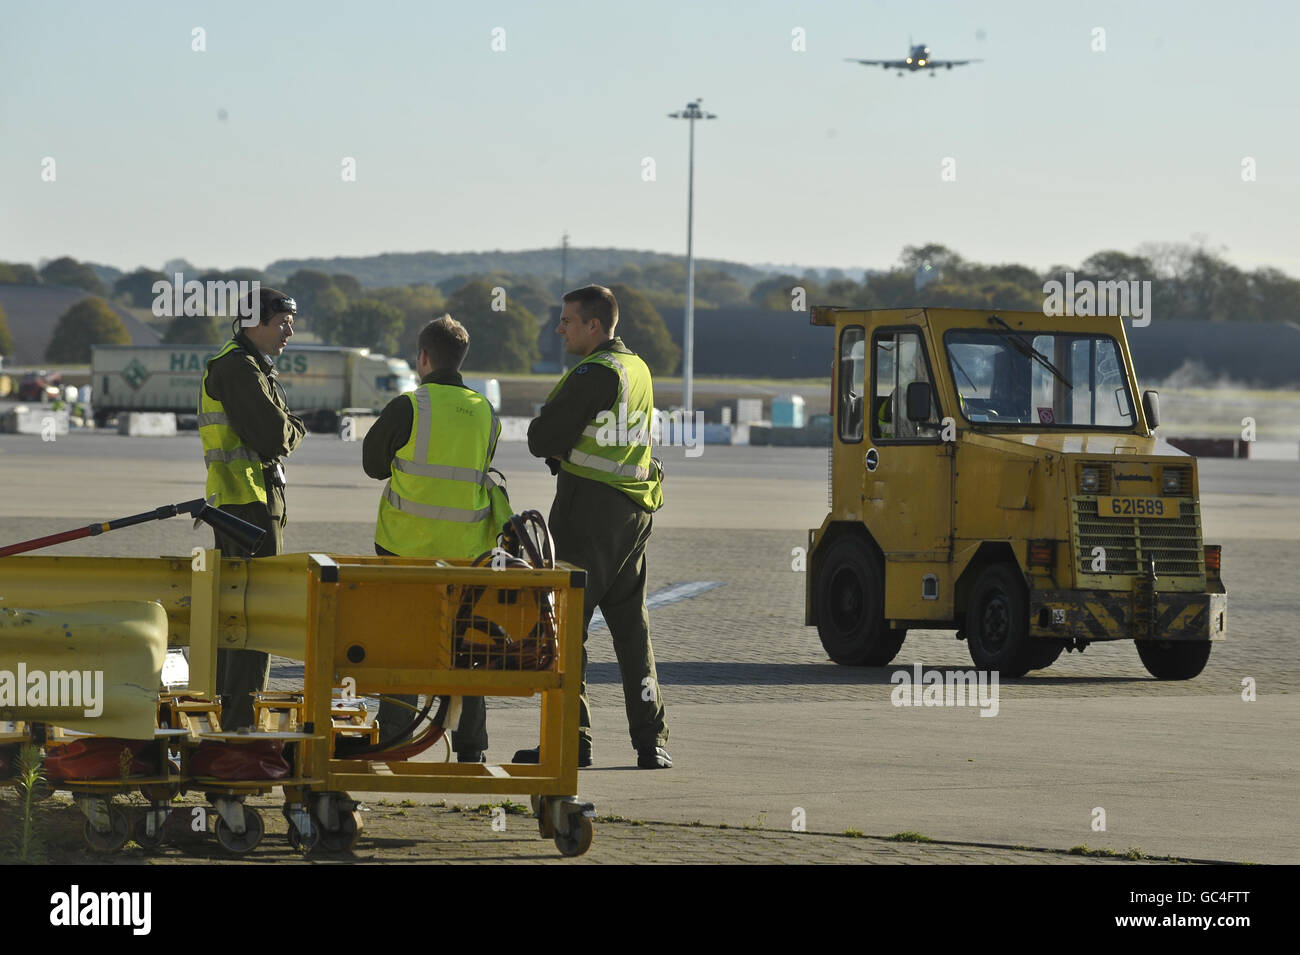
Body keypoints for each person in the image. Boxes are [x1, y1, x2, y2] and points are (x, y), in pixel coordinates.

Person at [516, 284, 671, 770]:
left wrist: (555, 443)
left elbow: (542, 438)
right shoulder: (637, 368)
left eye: (567, 320)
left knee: (563, 627)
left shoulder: (592, 373)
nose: (559, 328)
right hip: (634, 510)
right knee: (631, 628)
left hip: (589, 512)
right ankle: (651, 741)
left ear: (594, 326)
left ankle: (569, 740)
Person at [362, 315, 498, 761]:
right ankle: (472, 747)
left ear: (422, 357)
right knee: (466, 645)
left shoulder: (410, 405)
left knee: (400, 645)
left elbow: (373, 464)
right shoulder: (485, 412)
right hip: (467, 552)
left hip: (405, 549)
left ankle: (394, 738)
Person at [198, 287, 306, 729]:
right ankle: (240, 721)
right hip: (247, 506)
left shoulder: (251, 366)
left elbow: (279, 431)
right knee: (252, 614)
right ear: (253, 322)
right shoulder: (238, 369)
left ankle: (233, 714)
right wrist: (296, 430)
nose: (290, 332)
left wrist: (288, 429)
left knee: (238, 613)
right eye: (282, 323)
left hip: (248, 502)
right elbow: (275, 436)